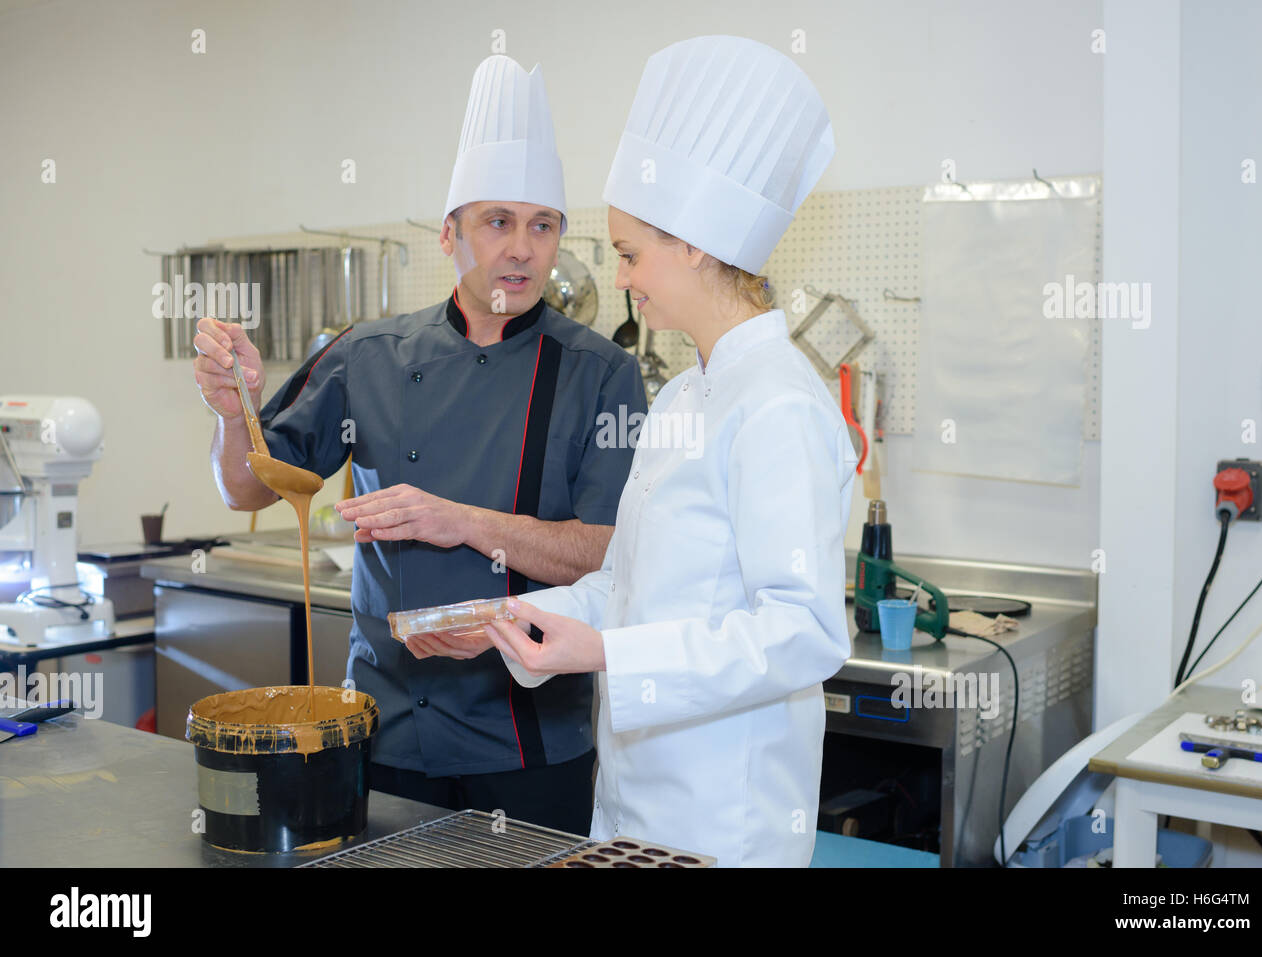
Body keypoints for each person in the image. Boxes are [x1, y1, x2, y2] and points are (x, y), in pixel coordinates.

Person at [407, 35, 859, 866]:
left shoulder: (779, 407)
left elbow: (801, 631)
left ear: (693, 242)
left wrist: (606, 651)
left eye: (629, 253)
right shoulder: (688, 394)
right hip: (635, 808)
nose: (620, 279)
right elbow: (628, 583)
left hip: (730, 819)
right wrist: (523, 621)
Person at [191, 54, 645, 835]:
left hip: (531, 745)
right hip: (385, 729)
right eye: (498, 221)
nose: (522, 249)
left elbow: (607, 554)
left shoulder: (603, 374)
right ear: (448, 233)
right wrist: (237, 412)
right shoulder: (366, 355)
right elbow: (248, 487)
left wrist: (459, 519)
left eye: (543, 226)